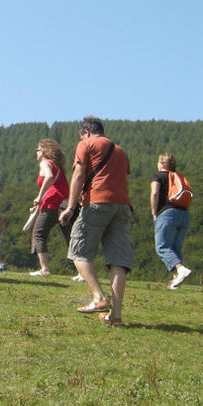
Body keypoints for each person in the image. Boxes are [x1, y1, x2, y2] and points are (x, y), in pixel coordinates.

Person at [58, 116, 133, 325]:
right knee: (118, 260)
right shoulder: (119, 150)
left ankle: (99, 297)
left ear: (86, 132)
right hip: (122, 206)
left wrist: (71, 207)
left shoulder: (86, 144)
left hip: (97, 203)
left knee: (78, 251)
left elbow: (79, 175)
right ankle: (116, 315)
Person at [150, 153, 193, 289]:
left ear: (162, 164)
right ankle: (176, 280)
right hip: (184, 214)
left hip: (167, 213)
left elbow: (155, 193)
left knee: (162, 247)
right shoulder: (177, 177)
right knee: (175, 248)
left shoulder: (158, 176)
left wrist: (154, 212)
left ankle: (180, 269)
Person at [30, 139, 71, 277]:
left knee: (38, 234)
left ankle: (45, 269)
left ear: (43, 152)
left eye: (37, 149)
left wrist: (39, 196)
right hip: (64, 204)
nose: (36, 152)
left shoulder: (45, 163)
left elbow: (49, 177)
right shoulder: (57, 166)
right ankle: (83, 271)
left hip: (51, 204)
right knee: (69, 236)